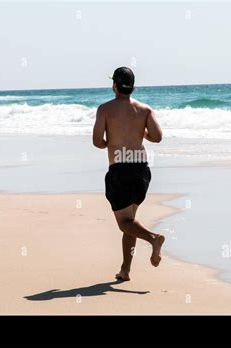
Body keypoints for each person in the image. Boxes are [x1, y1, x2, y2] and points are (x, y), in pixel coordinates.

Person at [92, 66, 164, 281]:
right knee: (130, 222)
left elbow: (97, 142)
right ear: (132, 86)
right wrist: (140, 132)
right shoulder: (145, 109)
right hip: (141, 170)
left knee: (124, 223)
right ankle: (125, 270)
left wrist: (110, 142)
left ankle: (153, 239)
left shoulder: (105, 109)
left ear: (114, 85)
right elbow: (157, 137)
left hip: (120, 170)